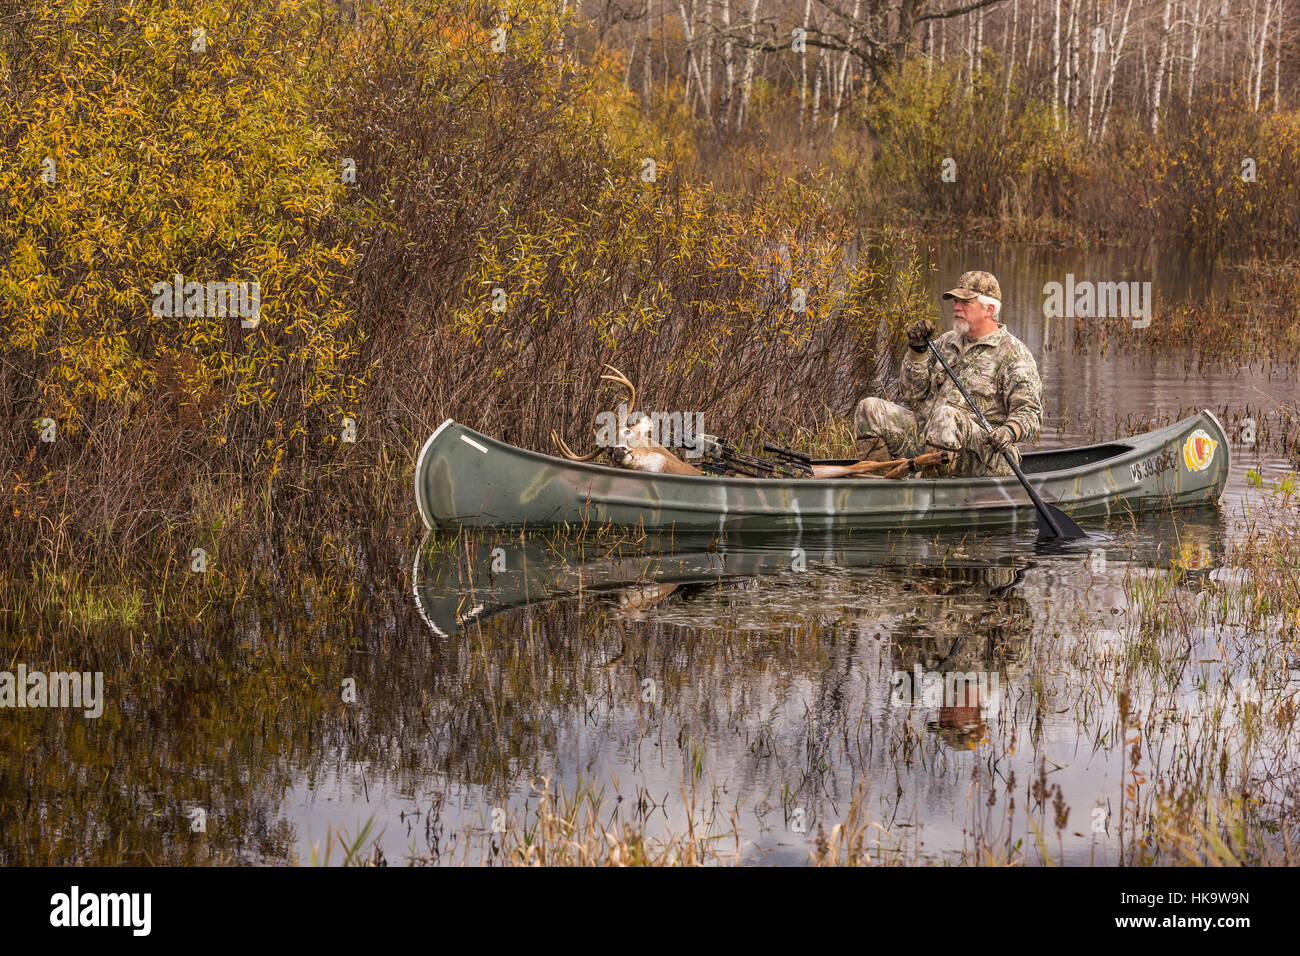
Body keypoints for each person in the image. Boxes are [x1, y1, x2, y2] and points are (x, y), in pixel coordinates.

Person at [854, 271, 1042, 478]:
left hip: (987, 454)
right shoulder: (946, 343)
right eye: (955, 301)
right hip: (932, 438)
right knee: (869, 408)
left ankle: (931, 497)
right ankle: (878, 487)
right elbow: (912, 396)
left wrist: (1009, 431)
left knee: (946, 415)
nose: (957, 307)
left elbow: (1030, 412)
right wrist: (917, 352)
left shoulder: (1014, 353)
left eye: (965, 302)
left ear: (989, 309)